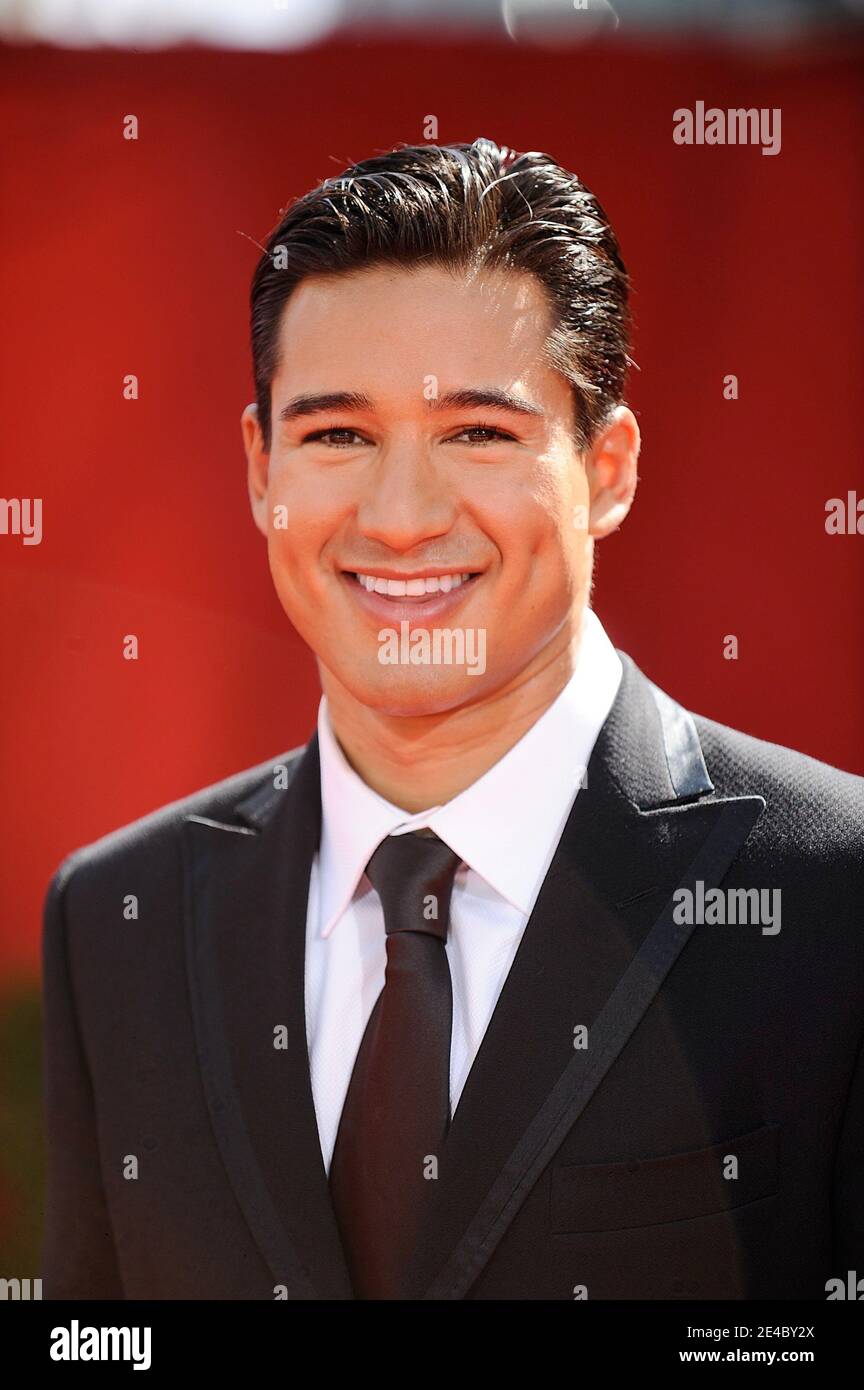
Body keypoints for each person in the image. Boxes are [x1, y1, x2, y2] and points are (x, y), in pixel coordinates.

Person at [42, 138, 864, 1301]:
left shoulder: (836, 893)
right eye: (338, 435)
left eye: (478, 432)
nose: (403, 516)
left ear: (610, 467)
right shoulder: (117, 918)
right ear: (260, 467)